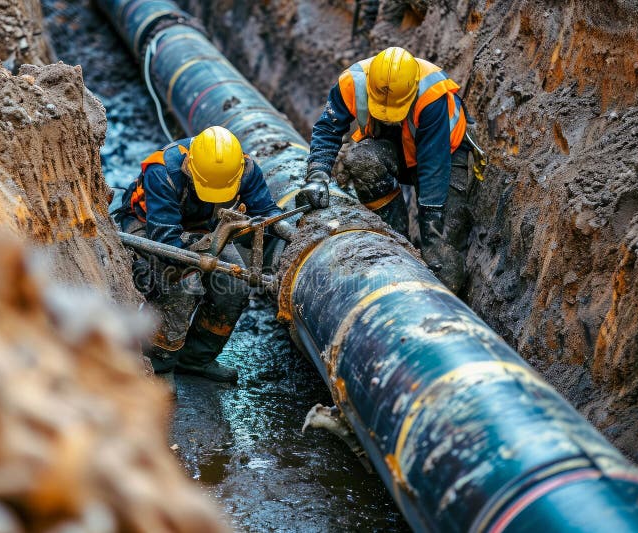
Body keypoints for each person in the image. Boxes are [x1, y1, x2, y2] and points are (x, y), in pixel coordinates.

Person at [114, 126, 293, 392]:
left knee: (234, 286)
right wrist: (206, 251)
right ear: (191, 169)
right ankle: (158, 364)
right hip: (147, 225)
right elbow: (166, 241)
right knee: (180, 285)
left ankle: (196, 359)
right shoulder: (163, 171)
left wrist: (285, 229)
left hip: (203, 229)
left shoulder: (244, 168)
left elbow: (265, 210)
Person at [300, 46, 480, 293]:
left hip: (445, 152)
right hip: (395, 146)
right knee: (363, 159)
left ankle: (449, 296)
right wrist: (317, 175)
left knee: (441, 244)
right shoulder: (353, 83)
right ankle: (395, 238)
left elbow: (433, 165)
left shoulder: (431, 95)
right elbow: (328, 129)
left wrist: (431, 226)